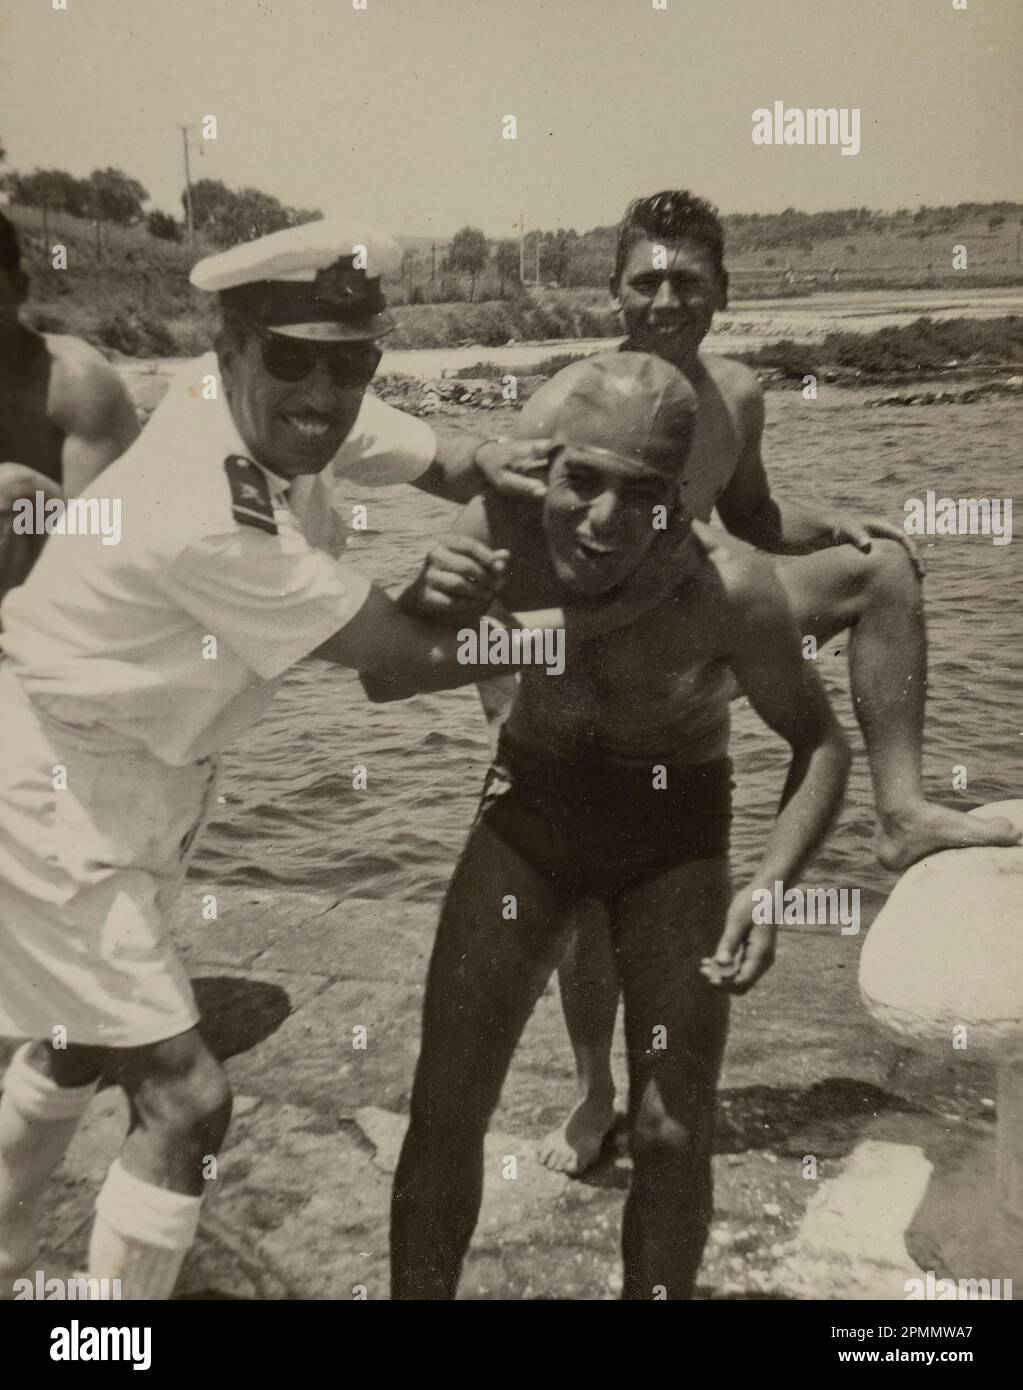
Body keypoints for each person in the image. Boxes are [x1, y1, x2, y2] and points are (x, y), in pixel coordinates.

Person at [0, 219, 680, 1301]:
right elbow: (398, 664)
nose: (324, 391)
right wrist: (596, 621)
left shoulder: (277, 408)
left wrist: (513, 474)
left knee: (77, 1045)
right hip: (48, 786)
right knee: (184, 1101)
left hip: (131, 775)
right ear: (227, 349)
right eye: (294, 358)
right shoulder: (202, 511)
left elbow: (452, 459)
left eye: (352, 360)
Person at [489, 189, 1021, 1175]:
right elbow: (499, 579)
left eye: (686, 280)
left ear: (722, 292)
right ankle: (594, 1089)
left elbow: (754, 513)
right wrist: (523, 725)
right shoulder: (560, 408)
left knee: (888, 569)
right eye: (644, 278)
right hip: (594, 665)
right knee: (591, 909)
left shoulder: (735, 394)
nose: (664, 297)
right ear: (612, 291)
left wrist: (838, 528)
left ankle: (902, 813)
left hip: (704, 616)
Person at [380, 351, 851, 1299]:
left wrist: (769, 885)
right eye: (580, 482)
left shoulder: (734, 589)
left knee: (673, 1130)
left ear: (675, 500)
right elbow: (384, 673)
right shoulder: (501, 529)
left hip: (671, 832)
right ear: (542, 468)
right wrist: (428, 600)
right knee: (446, 1103)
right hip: (532, 812)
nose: (601, 521)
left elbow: (820, 743)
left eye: (637, 495)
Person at [0, 211, 140, 601]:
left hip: (78, 583)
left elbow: (100, 539)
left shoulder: (80, 383)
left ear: (19, 289)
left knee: (15, 490)